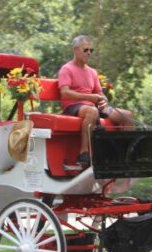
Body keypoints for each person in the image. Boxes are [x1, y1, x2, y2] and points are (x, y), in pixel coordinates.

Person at [57, 35, 133, 167]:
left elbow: (99, 93)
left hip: (93, 106)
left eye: (91, 50)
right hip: (73, 106)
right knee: (92, 111)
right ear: (75, 50)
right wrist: (89, 98)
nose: (89, 53)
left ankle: (125, 155)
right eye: (86, 50)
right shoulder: (66, 69)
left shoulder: (92, 72)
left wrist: (103, 100)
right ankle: (84, 153)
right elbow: (65, 93)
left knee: (127, 115)